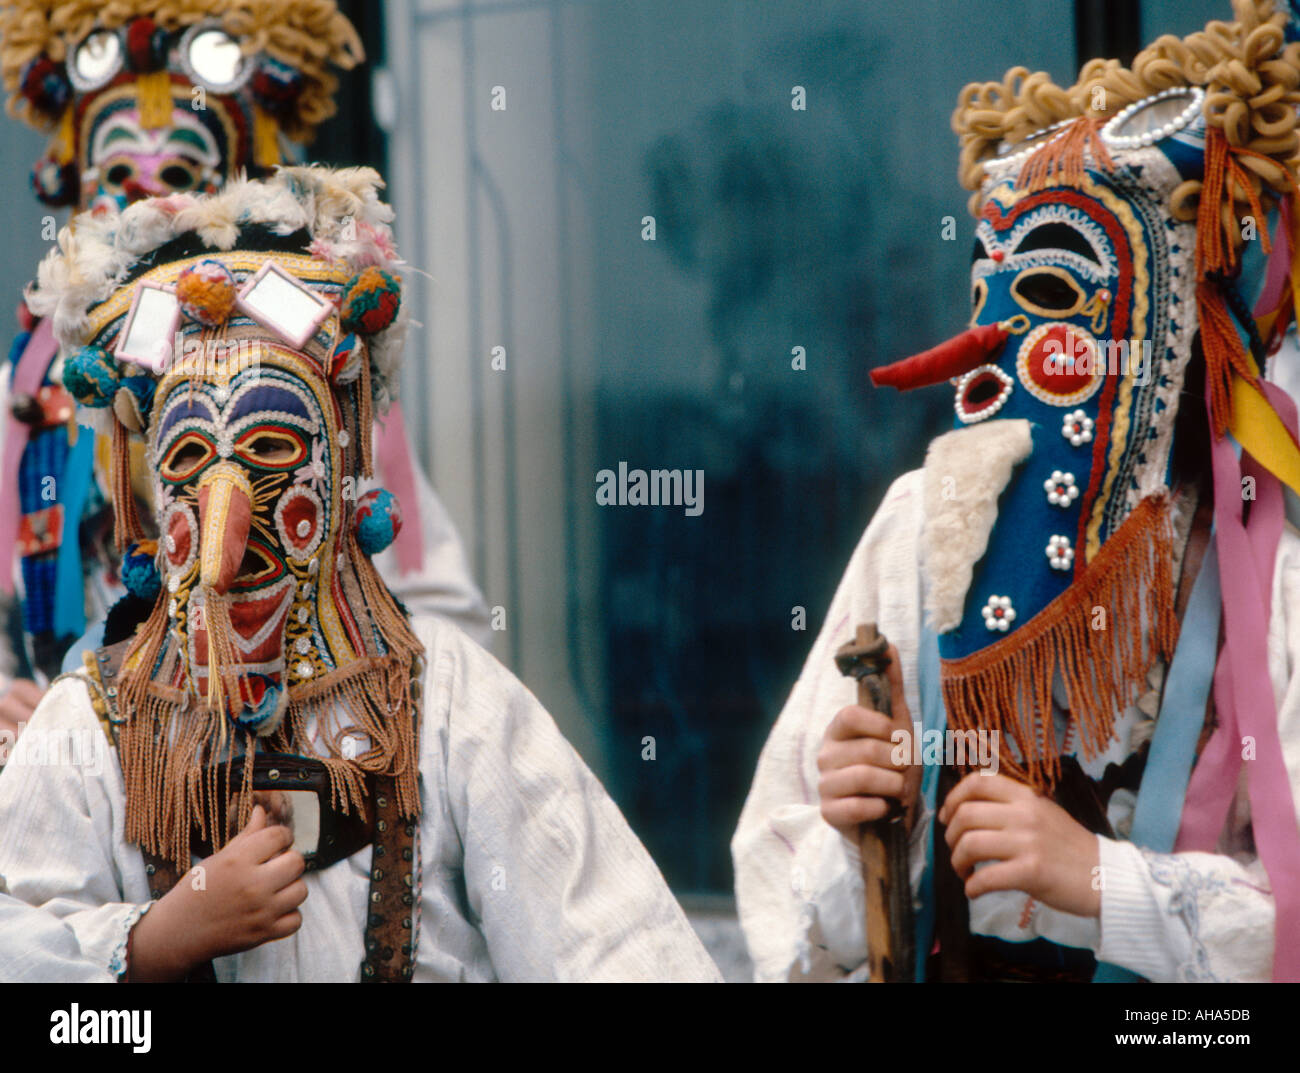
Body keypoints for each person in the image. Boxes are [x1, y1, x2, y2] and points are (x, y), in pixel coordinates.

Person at [0, 167, 719, 983]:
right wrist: (155, 936)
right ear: (151, 497)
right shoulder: (89, 724)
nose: (228, 516)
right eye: (190, 459)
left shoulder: (444, 702)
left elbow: (617, 948)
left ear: (343, 486)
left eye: (273, 450)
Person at [733, 0, 1300, 983]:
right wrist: (867, 821)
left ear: (1165, 333)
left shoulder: (1266, 579)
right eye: (983, 292)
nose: (989, 343)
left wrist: (1099, 880)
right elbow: (787, 910)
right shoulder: (918, 534)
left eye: (1046, 293)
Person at [0, 0, 489, 733]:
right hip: (89, 782)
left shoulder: (319, 372)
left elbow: (446, 627)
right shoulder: (26, 393)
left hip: (294, 764)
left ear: (228, 197)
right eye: (122, 186)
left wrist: (325, 699)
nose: (149, 215)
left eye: (181, 180)